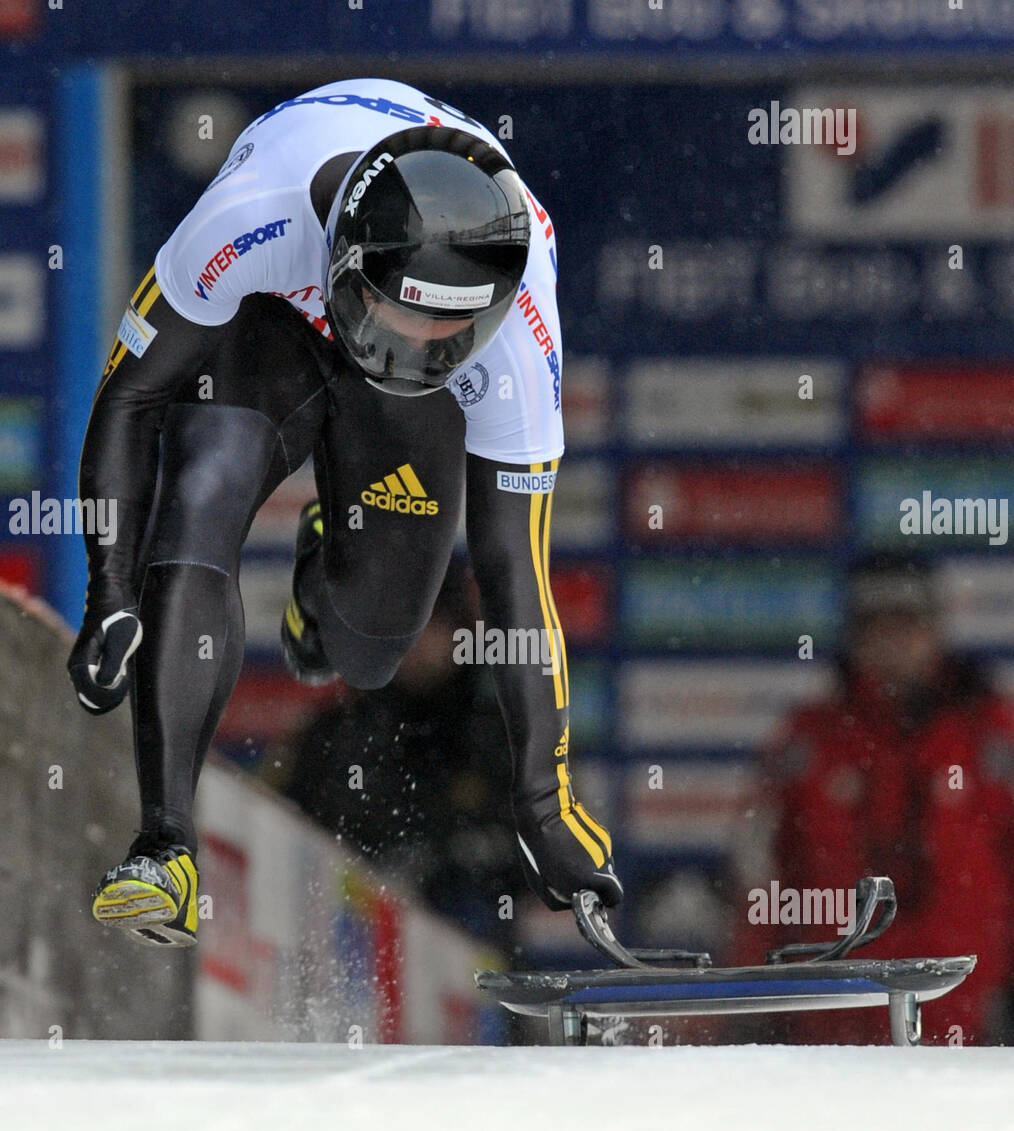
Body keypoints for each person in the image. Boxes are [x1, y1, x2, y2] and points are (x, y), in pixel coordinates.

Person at [67, 77, 621, 947]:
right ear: (353, 264)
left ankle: (328, 551)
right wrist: (110, 588)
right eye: (405, 318)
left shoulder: (521, 329)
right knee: (202, 488)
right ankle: (163, 844)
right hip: (273, 327)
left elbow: (517, 578)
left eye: (449, 333)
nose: (419, 346)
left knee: (368, 652)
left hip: (407, 407)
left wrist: (543, 807)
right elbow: (131, 396)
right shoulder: (252, 216)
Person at [736, 554, 1014, 1044]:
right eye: (875, 627)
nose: (893, 643)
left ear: (935, 630)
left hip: (972, 1031)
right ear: (853, 635)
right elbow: (759, 877)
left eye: (907, 624)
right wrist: (752, 1001)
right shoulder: (809, 741)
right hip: (830, 1032)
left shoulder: (992, 735)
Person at [280, 562, 526, 945]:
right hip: (350, 956)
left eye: (433, 624)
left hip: (472, 971)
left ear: (461, 633)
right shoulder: (335, 734)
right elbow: (292, 840)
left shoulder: (503, 736)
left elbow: (539, 856)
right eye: (402, 626)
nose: (419, 641)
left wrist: (450, 856)